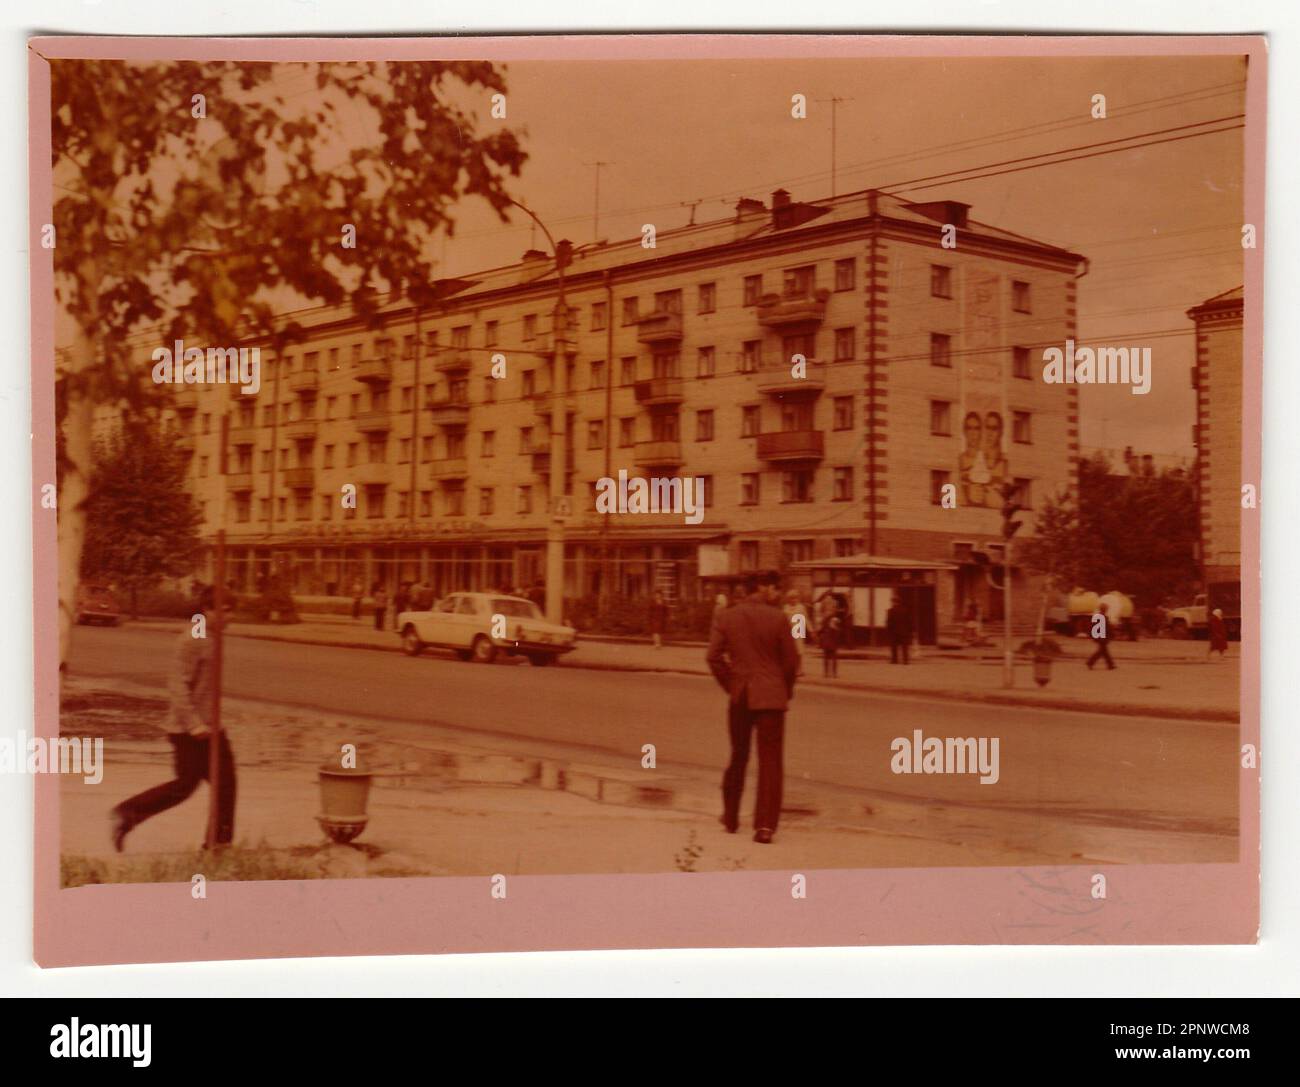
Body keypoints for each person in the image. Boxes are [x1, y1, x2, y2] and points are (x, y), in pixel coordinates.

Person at [110, 585, 237, 851]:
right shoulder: (194, 638)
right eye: (224, 611)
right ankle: (127, 814)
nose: (229, 617)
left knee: (225, 784)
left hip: (212, 728)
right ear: (207, 610)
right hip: (190, 731)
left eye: (231, 611)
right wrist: (193, 724)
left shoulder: (214, 636)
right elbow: (177, 685)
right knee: (184, 787)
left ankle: (218, 845)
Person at [706, 570, 799, 844]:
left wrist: (732, 684)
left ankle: (731, 818)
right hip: (771, 697)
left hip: (741, 696)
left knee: (738, 755)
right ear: (762, 587)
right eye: (774, 588)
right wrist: (785, 690)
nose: (778, 594)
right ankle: (765, 826)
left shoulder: (727, 616)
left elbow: (713, 657)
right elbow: (791, 662)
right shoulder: (779, 618)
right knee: (770, 761)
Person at [783, 590, 809, 675]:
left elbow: (806, 619)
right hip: (788, 631)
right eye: (791, 598)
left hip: (798, 630)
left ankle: (800, 669)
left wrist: (811, 630)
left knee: (799, 651)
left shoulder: (801, 607)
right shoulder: (785, 607)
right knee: (789, 651)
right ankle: (791, 669)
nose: (793, 600)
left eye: (795, 598)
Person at [1086, 602, 1116, 670]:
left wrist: (1092, 635)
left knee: (1104, 651)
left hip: (1098, 636)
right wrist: (1111, 635)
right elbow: (1107, 628)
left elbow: (1091, 627)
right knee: (1102, 651)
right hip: (1102, 637)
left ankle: (1110, 664)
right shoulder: (1104, 617)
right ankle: (1090, 662)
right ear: (1105, 609)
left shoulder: (1097, 617)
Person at [886, 594, 912, 665]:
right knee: (905, 647)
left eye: (892, 602)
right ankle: (905, 661)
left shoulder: (890, 611)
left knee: (894, 647)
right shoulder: (905, 610)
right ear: (900, 602)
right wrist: (909, 631)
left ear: (894, 602)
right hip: (904, 632)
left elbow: (889, 623)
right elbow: (909, 622)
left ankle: (894, 660)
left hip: (894, 632)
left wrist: (889, 631)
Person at [818, 604, 842, 678]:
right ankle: (834, 674)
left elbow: (821, 629)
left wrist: (819, 635)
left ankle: (826, 673)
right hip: (832, 640)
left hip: (826, 640)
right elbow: (838, 630)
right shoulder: (835, 619)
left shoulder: (825, 619)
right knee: (834, 657)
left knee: (826, 657)